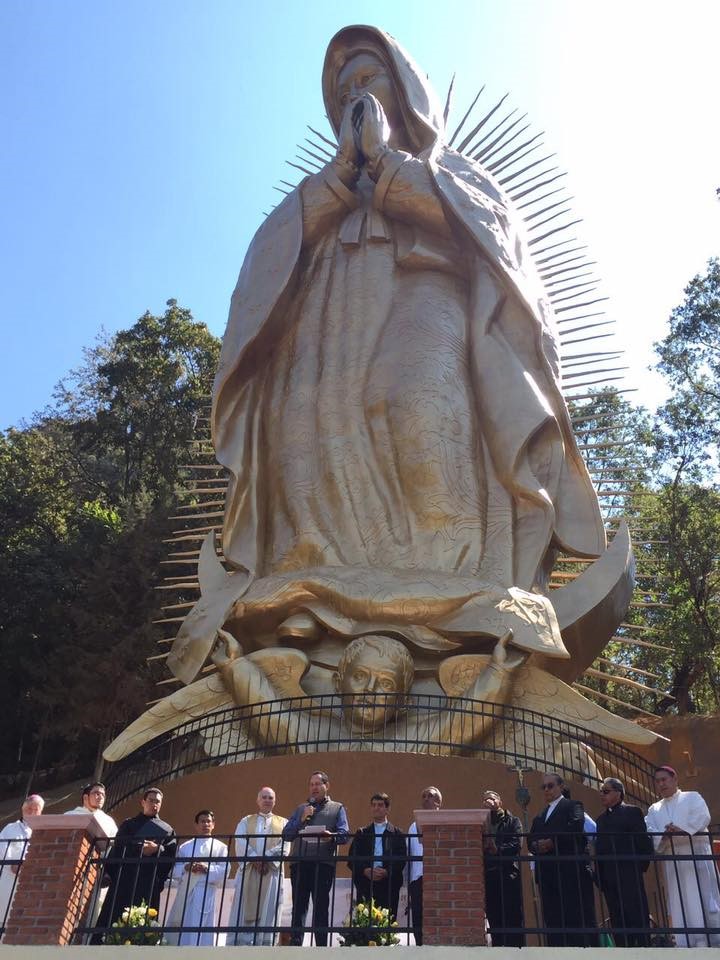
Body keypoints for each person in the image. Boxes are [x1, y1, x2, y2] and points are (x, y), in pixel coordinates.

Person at [645, 765, 720, 947]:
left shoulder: (692, 797)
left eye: (664, 779)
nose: (661, 784)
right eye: (658, 781)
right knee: (680, 902)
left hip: (696, 858)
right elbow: (651, 830)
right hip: (674, 863)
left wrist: (682, 831)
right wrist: (665, 835)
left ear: (674, 779)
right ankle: (684, 942)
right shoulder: (654, 809)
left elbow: (703, 817)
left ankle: (710, 940)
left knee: (702, 898)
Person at [95, 787, 177, 938]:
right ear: (143, 802)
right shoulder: (128, 824)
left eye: (157, 802)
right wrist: (138, 848)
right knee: (114, 918)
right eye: (151, 800)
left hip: (149, 881)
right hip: (124, 879)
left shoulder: (167, 829)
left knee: (143, 926)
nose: (154, 804)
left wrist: (157, 849)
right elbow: (118, 848)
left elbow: (171, 854)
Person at [282, 771, 350, 945]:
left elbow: (344, 835)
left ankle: (321, 947)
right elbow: (286, 835)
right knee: (299, 908)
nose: (314, 788)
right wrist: (301, 819)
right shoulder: (301, 809)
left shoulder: (337, 808)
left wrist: (331, 836)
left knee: (321, 907)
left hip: (323, 865)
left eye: (318, 784)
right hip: (300, 864)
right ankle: (296, 946)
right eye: (311, 784)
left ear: (327, 786)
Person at [529, 772, 596, 946]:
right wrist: (537, 846)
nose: (546, 790)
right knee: (553, 919)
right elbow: (530, 840)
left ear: (561, 786)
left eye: (550, 786)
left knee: (575, 916)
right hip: (547, 874)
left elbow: (575, 826)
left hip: (570, 871)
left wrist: (552, 843)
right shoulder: (540, 816)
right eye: (543, 787)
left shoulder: (573, 805)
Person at [594, 777, 652, 947]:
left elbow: (643, 844)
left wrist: (636, 867)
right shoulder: (601, 820)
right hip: (609, 878)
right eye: (601, 792)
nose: (602, 795)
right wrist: (600, 877)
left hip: (629, 874)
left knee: (636, 916)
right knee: (617, 919)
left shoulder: (632, 812)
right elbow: (600, 849)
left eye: (606, 791)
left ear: (618, 794)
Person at [227, 786, 288, 945]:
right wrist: (255, 859)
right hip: (249, 870)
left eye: (270, 798)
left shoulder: (283, 823)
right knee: (243, 906)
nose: (267, 800)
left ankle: (265, 944)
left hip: (271, 871)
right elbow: (240, 841)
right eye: (264, 797)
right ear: (258, 800)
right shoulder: (246, 821)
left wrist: (266, 859)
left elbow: (285, 845)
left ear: (275, 801)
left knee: (269, 908)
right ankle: (242, 944)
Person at [165, 810, 229, 946]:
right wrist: (186, 867)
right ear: (196, 825)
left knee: (204, 931)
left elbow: (225, 871)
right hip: (187, 893)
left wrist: (206, 868)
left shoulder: (220, 847)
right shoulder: (185, 847)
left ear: (213, 825)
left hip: (207, 892)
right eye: (202, 821)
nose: (205, 824)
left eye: (208, 821)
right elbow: (174, 870)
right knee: (185, 928)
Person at [348, 793, 407, 919]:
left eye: (380, 805)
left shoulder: (396, 833)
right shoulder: (362, 833)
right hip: (366, 883)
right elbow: (352, 858)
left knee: (387, 922)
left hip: (388, 884)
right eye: (373, 805)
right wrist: (365, 870)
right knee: (364, 920)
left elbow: (401, 859)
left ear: (387, 809)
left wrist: (387, 872)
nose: (376, 808)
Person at [482, 789, 524, 947]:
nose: (488, 802)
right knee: (495, 922)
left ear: (500, 802)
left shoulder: (512, 821)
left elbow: (517, 844)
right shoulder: (481, 824)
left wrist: (497, 850)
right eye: (485, 800)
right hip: (489, 877)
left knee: (512, 920)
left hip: (508, 875)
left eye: (492, 799)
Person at [0, 795, 44, 936]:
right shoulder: (10, 828)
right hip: (9, 879)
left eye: (35, 809)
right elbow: (1, 849)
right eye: (28, 809)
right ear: (22, 810)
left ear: (40, 812)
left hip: (32, 883)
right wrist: (13, 865)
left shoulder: (45, 831)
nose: (31, 812)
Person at [406, 785, 442, 945]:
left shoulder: (445, 822)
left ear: (438, 801)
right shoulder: (413, 826)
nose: (426, 799)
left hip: (439, 878)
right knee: (419, 919)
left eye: (430, 796)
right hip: (417, 879)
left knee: (438, 916)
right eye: (424, 796)